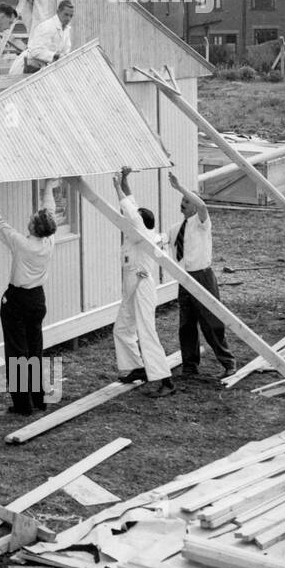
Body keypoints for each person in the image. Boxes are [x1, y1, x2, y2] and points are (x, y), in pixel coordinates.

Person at [0, 180, 58, 416]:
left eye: (31, 219)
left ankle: (23, 405)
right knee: (35, 349)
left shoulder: (22, 244)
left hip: (18, 300)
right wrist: (49, 187)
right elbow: (50, 209)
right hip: (37, 300)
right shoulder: (48, 242)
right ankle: (38, 400)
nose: (28, 219)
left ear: (35, 227)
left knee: (17, 352)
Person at [112, 166, 174, 396]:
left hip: (142, 285)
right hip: (131, 286)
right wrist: (126, 180)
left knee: (146, 332)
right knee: (122, 328)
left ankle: (165, 380)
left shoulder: (140, 233)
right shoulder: (142, 230)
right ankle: (136, 368)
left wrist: (117, 185)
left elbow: (129, 210)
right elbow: (132, 204)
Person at [166, 172, 234, 378]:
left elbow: (203, 207)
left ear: (195, 205)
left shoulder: (202, 223)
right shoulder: (174, 229)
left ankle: (228, 362)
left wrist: (180, 187)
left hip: (202, 277)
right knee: (186, 324)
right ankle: (190, 365)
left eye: (187, 201)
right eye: (182, 201)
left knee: (211, 322)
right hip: (184, 279)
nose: (183, 204)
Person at [10, 0, 74, 76]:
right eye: (66, 14)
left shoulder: (66, 30)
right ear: (58, 12)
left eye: (71, 16)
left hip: (45, 70)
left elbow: (65, 51)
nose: (68, 19)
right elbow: (35, 51)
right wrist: (55, 56)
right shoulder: (47, 27)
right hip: (28, 67)